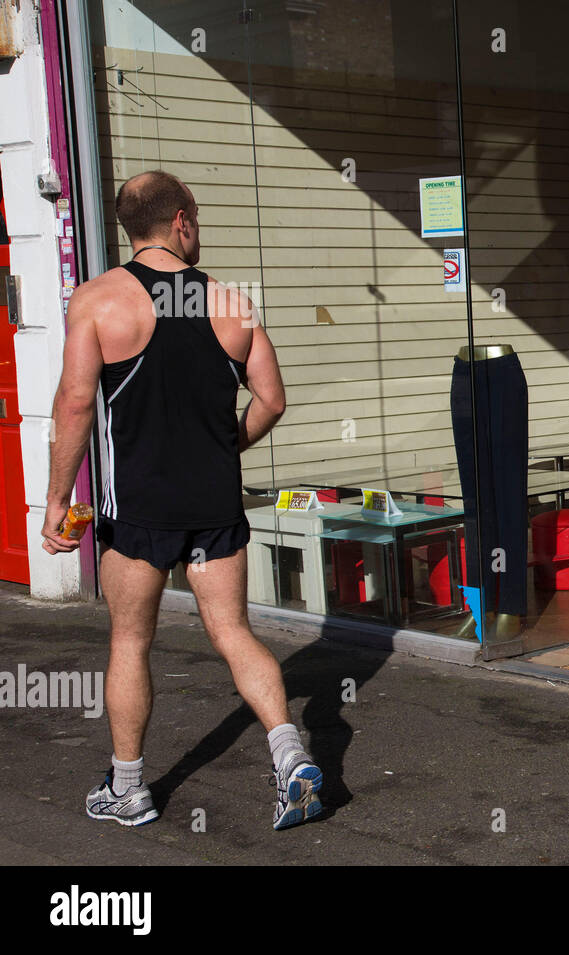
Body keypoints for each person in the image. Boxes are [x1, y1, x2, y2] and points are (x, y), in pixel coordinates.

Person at [42, 169, 324, 829]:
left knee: (130, 639)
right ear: (182, 221)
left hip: (137, 507)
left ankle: (130, 787)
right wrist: (224, 449)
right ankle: (290, 757)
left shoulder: (97, 300)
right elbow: (272, 399)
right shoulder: (230, 303)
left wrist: (57, 500)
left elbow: (77, 402)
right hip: (212, 501)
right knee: (232, 631)